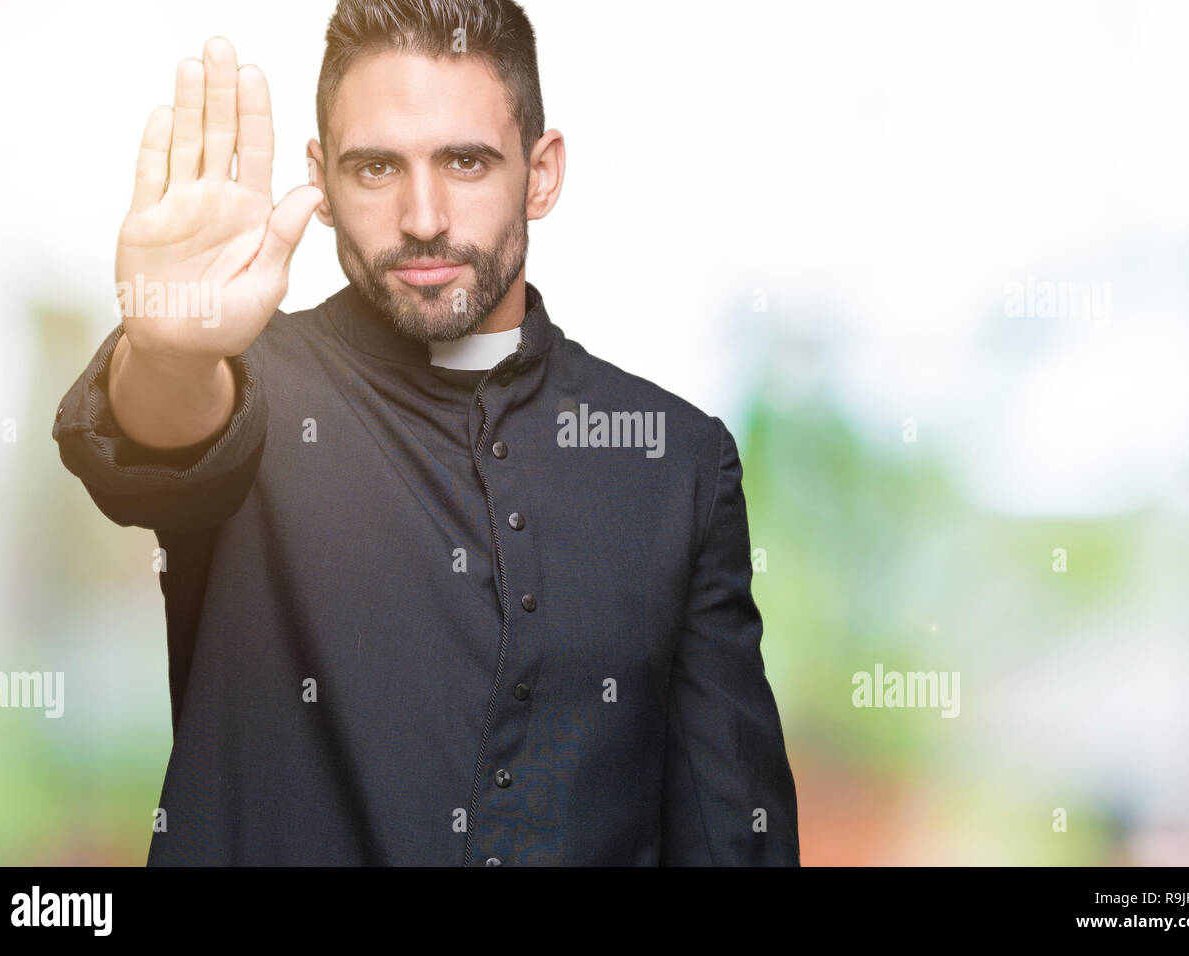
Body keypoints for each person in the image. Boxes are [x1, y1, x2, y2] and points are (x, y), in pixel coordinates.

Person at [53, 0, 799, 866]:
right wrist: (172, 349)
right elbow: (166, 441)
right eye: (375, 168)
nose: (423, 216)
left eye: (467, 161)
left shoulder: (674, 462)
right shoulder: (251, 379)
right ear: (322, 180)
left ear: (542, 172)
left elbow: (733, 838)